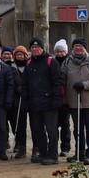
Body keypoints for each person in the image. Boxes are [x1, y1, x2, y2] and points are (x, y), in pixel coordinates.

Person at [61, 37, 89, 165]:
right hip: (73, 102)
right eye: (76, 46)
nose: (78, 48)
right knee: (77, 129)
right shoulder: (67, 62)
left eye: (81, 46)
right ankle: (79, 152)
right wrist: (64, 100)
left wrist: (85, 85)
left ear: (85, 48)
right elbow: (62, 81)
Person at [23, 37, 62, 166]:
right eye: (32, 47)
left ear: (42, 48)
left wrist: (56, 99)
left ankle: (53, 155)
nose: (35, 49)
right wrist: (25, 97)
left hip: (49, 102)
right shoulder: (29, 63)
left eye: (37, 47)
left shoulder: (51, 61)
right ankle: (43, 153)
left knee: (51, 130)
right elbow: (25, 83)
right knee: (38, 130)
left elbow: (57, 81)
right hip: (35, 103)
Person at [8, 45, 30, 158]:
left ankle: (37, 147)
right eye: (17, 54)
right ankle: (22, 146)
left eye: (22, 54)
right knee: (20, 124)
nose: (20, 56)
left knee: (35, 124)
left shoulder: (30, 66)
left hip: (30, 98)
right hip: (18, 99)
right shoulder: (12, 67)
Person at [53, 39, 72, 156]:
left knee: (65, 124)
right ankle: (53, 146)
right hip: (54, 98)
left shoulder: (69, 63)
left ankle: (65, 147)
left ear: (66, 52)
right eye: (58, 51)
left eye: (62, 51)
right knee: (53, 124)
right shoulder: (52, 63)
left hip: (66, 99)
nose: (60, 53)